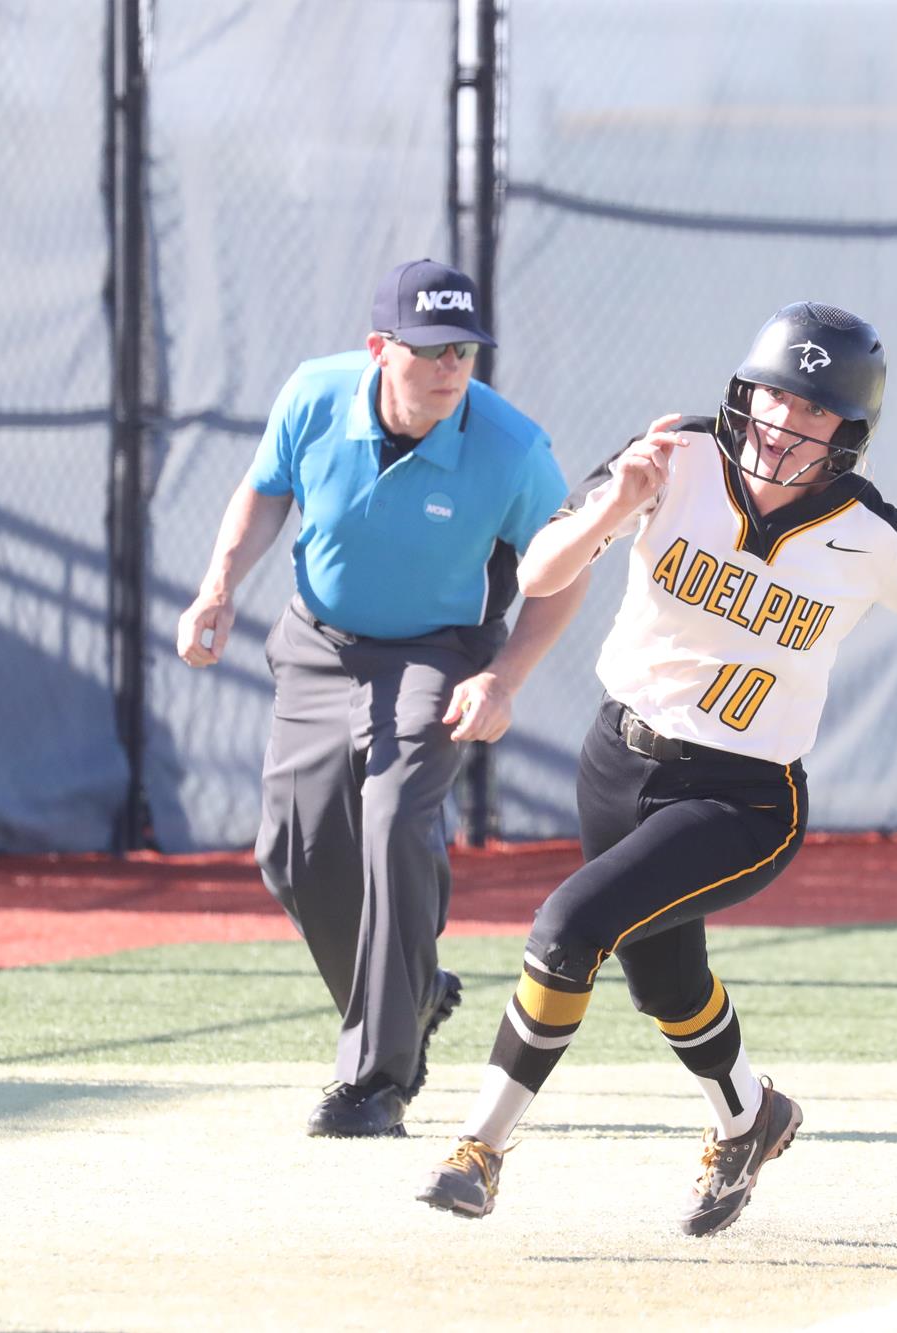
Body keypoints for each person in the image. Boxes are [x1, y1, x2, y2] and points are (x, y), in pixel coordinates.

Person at [415, 301, 897, 1234]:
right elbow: (539, 574)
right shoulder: (677, 456)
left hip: (741, 796)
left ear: (848, 431)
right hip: (616, 758)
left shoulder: (868, 532)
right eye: (774, 395)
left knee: (567, 927)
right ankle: (752, 1118)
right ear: (745, 392)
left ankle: (479, 1148)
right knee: (665, 984)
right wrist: (615, 502)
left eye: (813, 408)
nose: (784, 421)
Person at [176, 258, 585, 1139]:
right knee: (294, 855)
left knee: (394, 820)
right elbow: (265, 491)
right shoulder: (313, 395)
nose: (451, 368)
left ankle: (375, 1081)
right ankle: (414, 993)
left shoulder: (510, 448)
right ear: (379, 349)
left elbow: (567, 571)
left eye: (464, 350)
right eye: (431, 349)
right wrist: (218, 588)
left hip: (437, 654)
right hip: (317, 644)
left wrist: (503, 678)